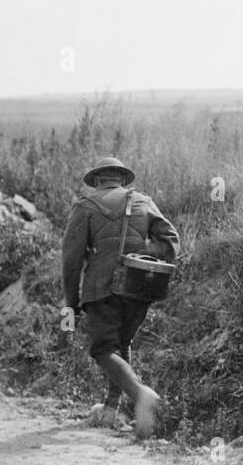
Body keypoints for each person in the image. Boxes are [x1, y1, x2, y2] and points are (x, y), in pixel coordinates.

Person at [61, 156, 178, 439]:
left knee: (103, 350)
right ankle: (112, 409)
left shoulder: (85, 207)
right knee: (122, 344)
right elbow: (171, 240)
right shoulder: (142, 202)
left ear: (98, 180)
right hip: (139, 287)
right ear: (122, 179)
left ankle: (140, 394)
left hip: (102, 288)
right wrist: (145, 258)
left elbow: (71, 260)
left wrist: (71, 302)